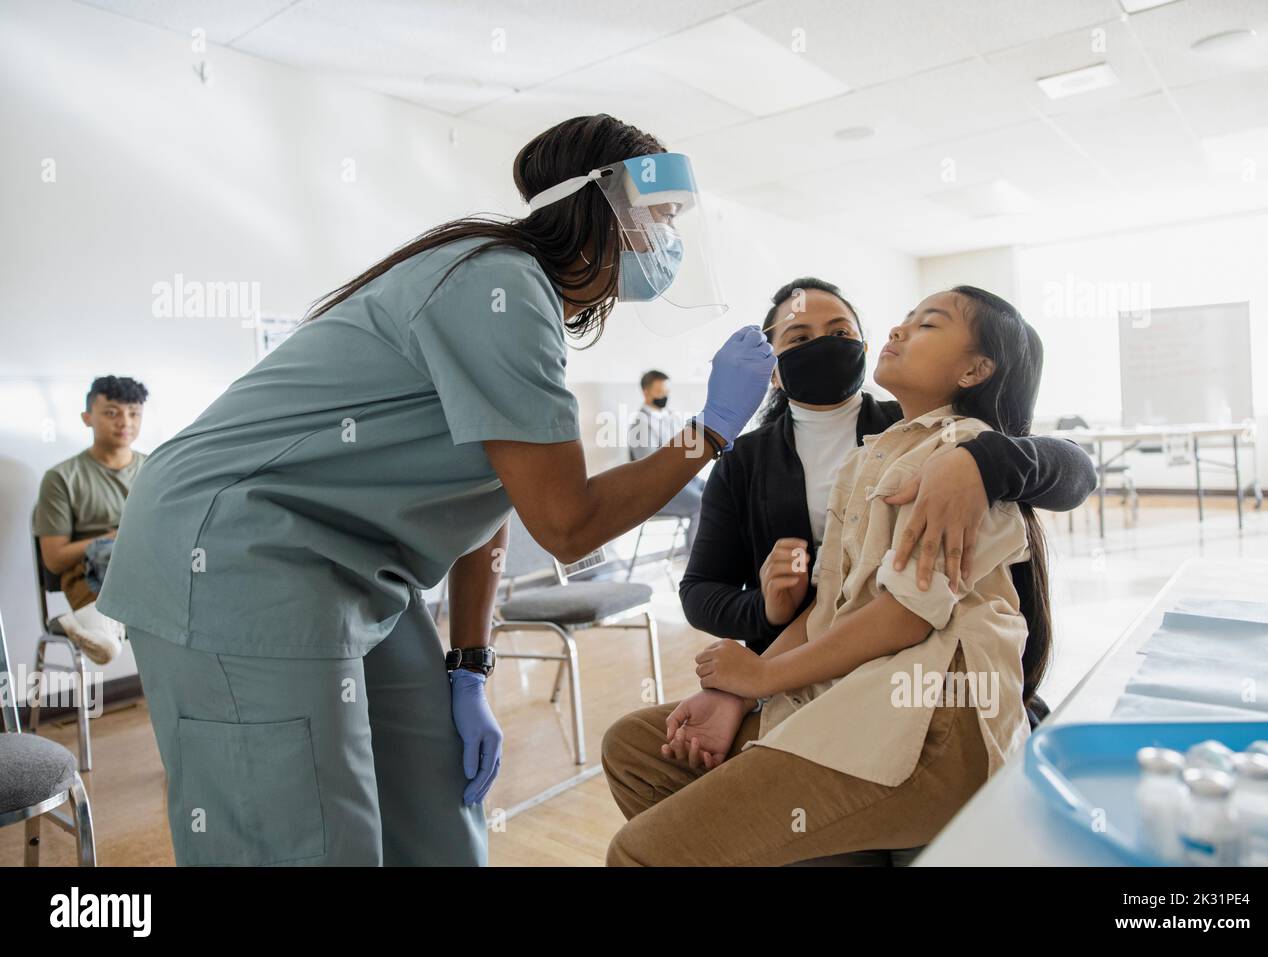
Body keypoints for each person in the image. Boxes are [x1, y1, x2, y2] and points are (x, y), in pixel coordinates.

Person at [96, 114, 776, 866]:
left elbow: (490, 508)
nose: (668, 242)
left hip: (354, 572)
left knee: (438, 811)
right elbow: (567, 522)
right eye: (659, 218)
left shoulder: (525, 302)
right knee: (306, 843)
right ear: (599, 205)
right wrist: (709, 430)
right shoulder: (499, 283)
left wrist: (469, 666)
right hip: (235, 551)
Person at [603, 287, 1053, 865]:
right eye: (799, 338)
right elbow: (825, 606)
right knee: (636, 749)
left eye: (926, 324)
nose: (898, 330)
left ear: (974, 369)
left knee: (640, 855)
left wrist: (761, 679)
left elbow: (903, 618)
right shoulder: (861, 458)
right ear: (772, 368)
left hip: (926, 710)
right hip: (846, 680)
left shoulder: (959, 460)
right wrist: (755, 649)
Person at [676, 278, 1095, 731]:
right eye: (799, 338)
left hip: (920, 675)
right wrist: (766, 610)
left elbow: (1076, 471)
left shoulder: (925, 426)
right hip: (794, 667)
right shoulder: (744, 462)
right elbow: (699, 591)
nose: (823, 346)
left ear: (864, 346)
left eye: (840, 333)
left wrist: (984, 460)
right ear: (773, 371)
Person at [32, 375, 150, 664]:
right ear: (87, 418)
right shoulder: (62, 477)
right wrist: (112, 539)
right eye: (112, 413)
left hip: (149, 572)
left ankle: (95, 626)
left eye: (133, 413)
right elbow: (55, 559)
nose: (125, 422)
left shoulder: (153, 469)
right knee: (111, 551)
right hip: (91, 576)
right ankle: (98, 620)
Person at [627, 369, 705, 553]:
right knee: (701, 505)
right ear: (646, 392)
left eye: (667, 392)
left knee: (719, 492)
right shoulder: (640, 424)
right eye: (660, 391)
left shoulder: (670, 418)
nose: (664, 396)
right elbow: (651, 470)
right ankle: (698, 563)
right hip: (658, 492)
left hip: (682, 482)